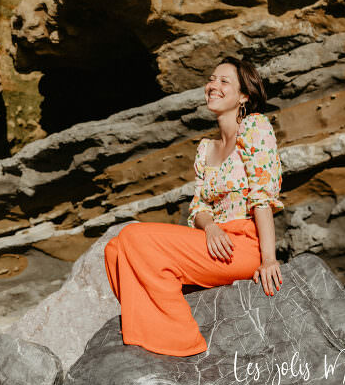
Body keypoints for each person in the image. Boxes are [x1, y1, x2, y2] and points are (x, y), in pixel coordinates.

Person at [103, 55, 284, 357]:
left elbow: (262, 198)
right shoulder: (205, 149)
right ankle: (151, 330)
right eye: (212, 79)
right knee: (115, 249)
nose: (213, 85)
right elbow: (198, 206)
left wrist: (268, 259)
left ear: (244, 96)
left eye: (224, 81)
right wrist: (210, 227)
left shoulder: (255, 127)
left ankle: (177, 338)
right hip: (212, 240)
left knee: (134, 236)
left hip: (242, 245)